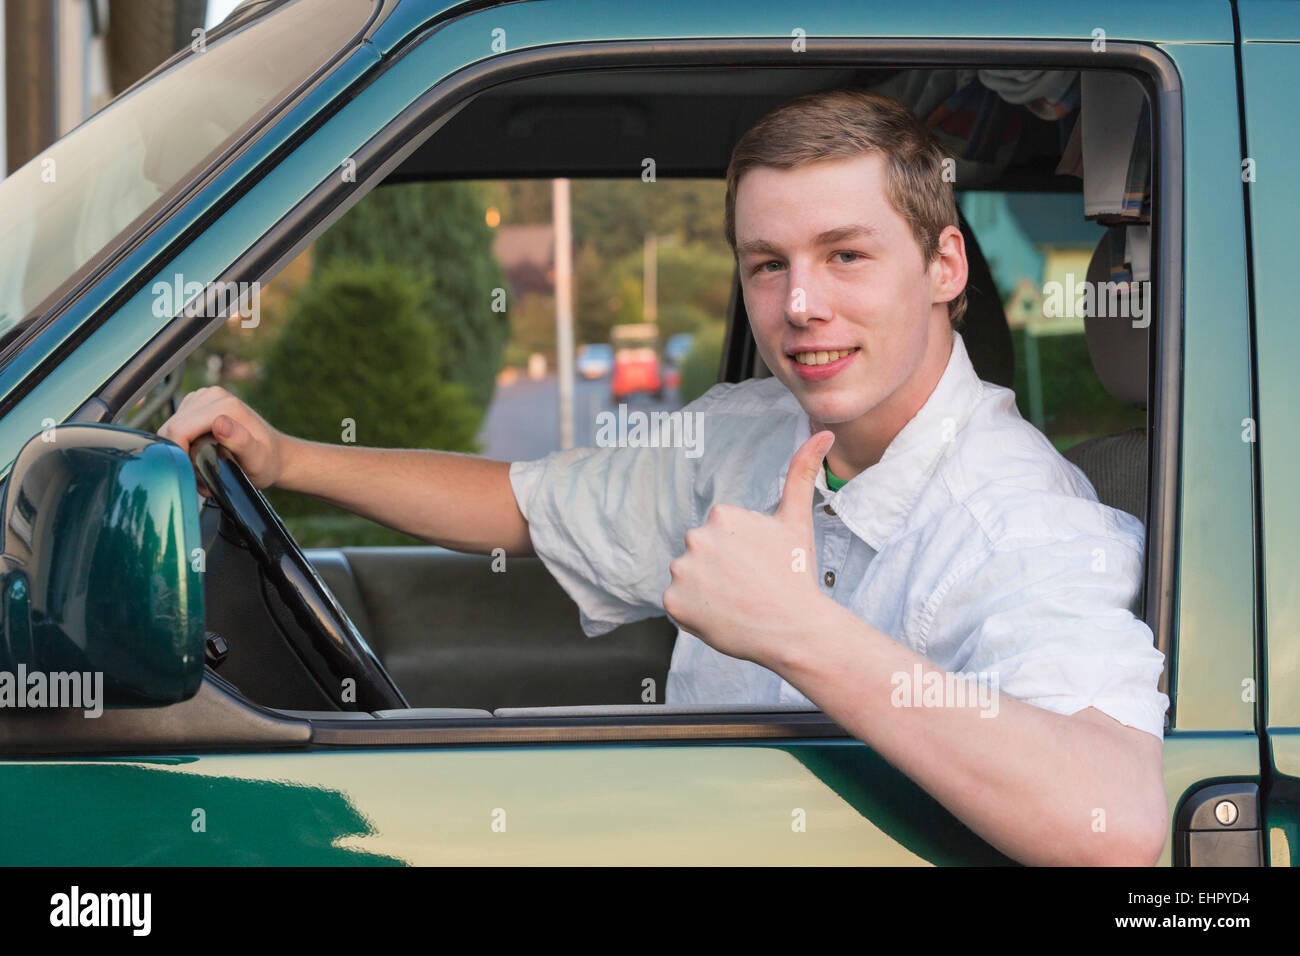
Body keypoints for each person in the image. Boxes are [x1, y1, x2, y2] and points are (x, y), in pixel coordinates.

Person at [158, 88, 1169, 866]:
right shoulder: (749, 431)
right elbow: (520, 502)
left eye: (846, 254)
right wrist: (287, 459)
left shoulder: (1017, 523)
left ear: (945, 264)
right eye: (766, 264)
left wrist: (797, 629)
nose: (799, 303)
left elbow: (1115, 820)